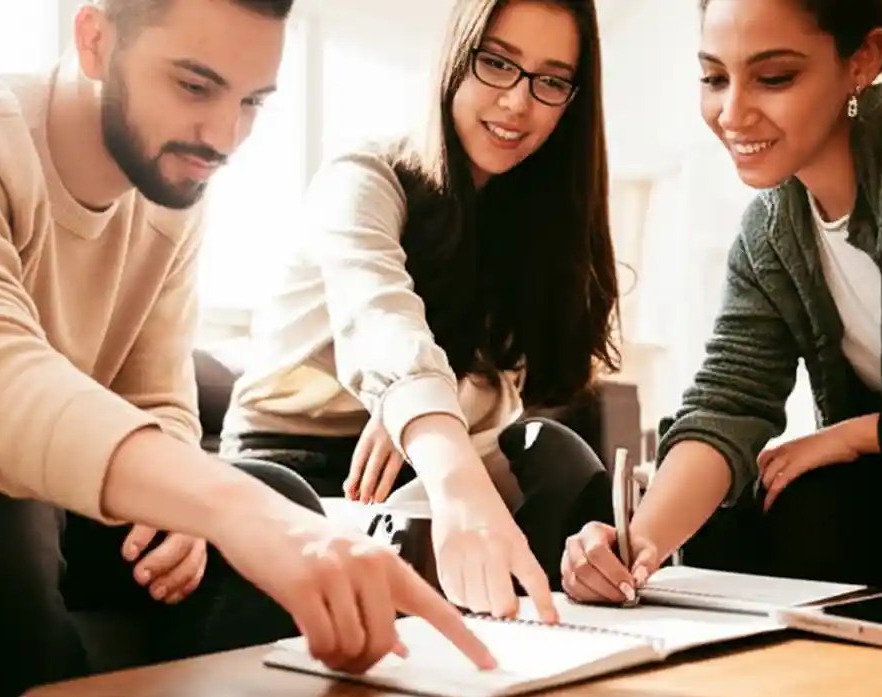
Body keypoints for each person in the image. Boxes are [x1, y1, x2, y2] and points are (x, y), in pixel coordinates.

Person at [0, 0, 492, 697]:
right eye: (194, 86)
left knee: (275, 493)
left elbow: (156, 399)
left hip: (28, 506)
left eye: (251, 101)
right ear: (95, 40)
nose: (224, 136)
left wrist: (193, 512)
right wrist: (227, 507)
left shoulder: (168, 188)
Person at [561, 0, 882, 605]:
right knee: (803, 509)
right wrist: (631, 548)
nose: (732, 113)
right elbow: (729, 400)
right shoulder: (769, 237)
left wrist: (857, 434)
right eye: (714, 78)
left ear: (864, 59)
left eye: (774, 77)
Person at [222, 0, 621, 619]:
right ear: (455, 61)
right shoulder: (366, 175)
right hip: (303, 461)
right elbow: (379, 318)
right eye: (497, 64)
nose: (518, 102)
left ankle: (569, 623)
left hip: (431, 459)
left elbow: (511, 389)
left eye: (550, 81)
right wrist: (419, 407)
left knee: (558, 454)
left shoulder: (532, 219)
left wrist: (430, 409)